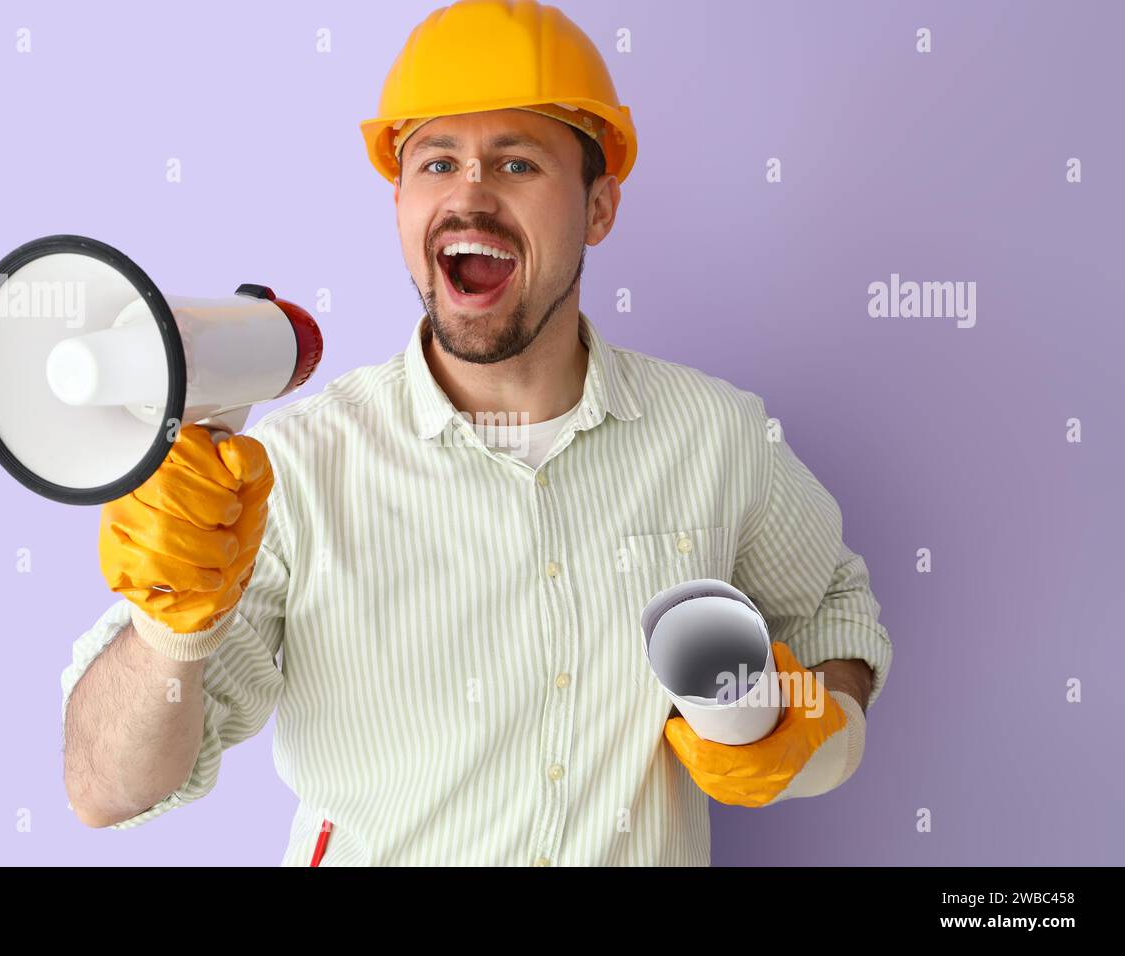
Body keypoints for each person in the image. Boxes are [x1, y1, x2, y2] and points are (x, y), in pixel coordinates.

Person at [61, 0, 892, 866]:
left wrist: (812, 730)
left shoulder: (719, 439)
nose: (468, 194)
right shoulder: (293, 470)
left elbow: (836, 613)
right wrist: (169, 631)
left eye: (518, 162)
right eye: (436, 162)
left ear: (599, 208)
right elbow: (106, 789)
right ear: (399, 203)